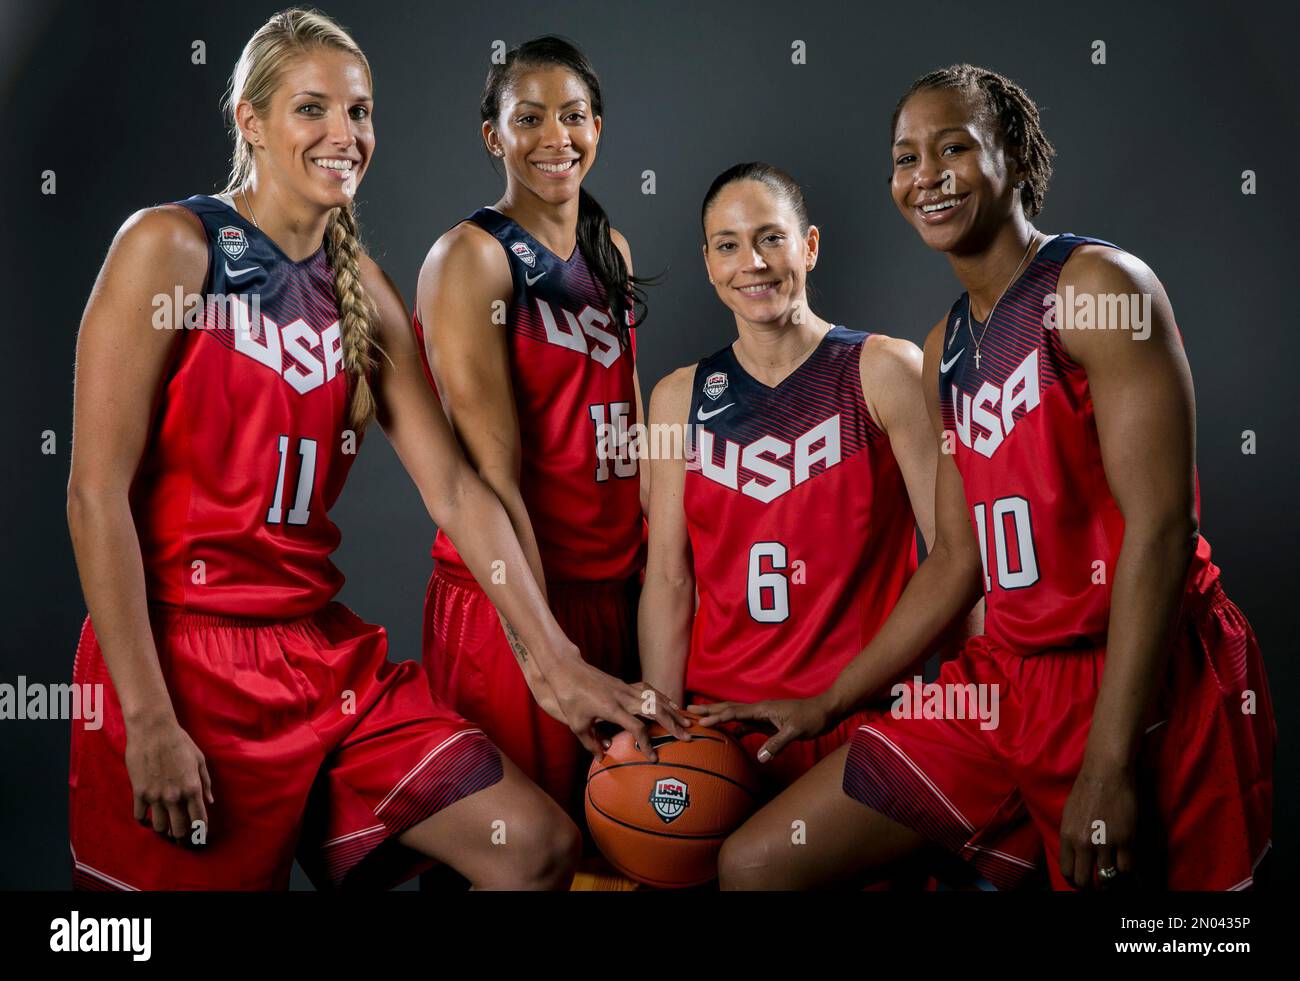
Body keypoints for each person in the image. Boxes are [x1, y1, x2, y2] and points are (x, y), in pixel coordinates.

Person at [66, 9, 668, 892]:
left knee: (534, 845)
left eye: (360, 112)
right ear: (252, 121)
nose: (345, 136)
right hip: (183, 660)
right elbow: (94, 496)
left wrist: (557, 662)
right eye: (314, 110)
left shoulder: (369, 296)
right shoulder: (169, 247)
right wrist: (147, 713)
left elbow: (457, 490)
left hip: (318, 659)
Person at [700, 64, 1275, 891]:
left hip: (1139, 675)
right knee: (758, 863)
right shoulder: (944, 346)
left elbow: (1162, 529)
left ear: (1012, 155)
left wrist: (1109, 765)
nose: (925, 175)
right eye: (906, 157)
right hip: (1007, 683)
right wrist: (825, 702)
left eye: (953, 147)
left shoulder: (1097, 288)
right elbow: (956, 559)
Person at [412, 36, 686, 823]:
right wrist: (545, 650)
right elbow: (489, 479)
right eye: (528, 118)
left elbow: (629, 428)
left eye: (573, 116)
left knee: (621, 836)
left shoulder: (610, 248)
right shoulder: (472, 257)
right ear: (494, 135)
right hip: (516, 598)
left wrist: (660, 574)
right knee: (523, 847)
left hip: (611, 589)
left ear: (598, 127)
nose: (554, 137)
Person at [641, 162, 945, 795]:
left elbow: (957, 557)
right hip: (719, 729)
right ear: (708, 263)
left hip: (858, 715)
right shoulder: (677, 398)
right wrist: (665, 726)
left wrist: (969, 702)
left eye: (771, 238)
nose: (751, 262)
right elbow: (670, 578)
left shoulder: (885, 370)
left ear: (809, 246)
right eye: (728, 245)